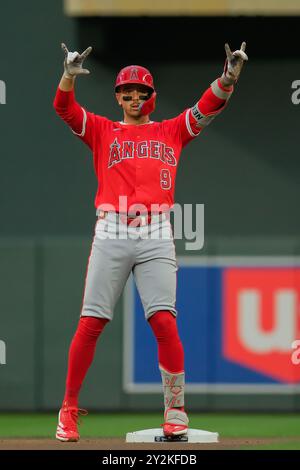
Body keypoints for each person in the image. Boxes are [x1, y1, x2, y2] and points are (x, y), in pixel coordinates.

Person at [53, 42, 248, 442]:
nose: (134, 97)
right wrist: (69, 75)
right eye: (127, 91)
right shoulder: (103, 130)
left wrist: (227, 78)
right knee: (91, 323)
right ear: (119, 96)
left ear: (151, 97)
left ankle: (175, 409)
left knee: (163, 320)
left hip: (156, 230)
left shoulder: (170, 130)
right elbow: (65, 109)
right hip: (112, 229)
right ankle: (68, 409)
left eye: (141, 91)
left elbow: (206, 107)